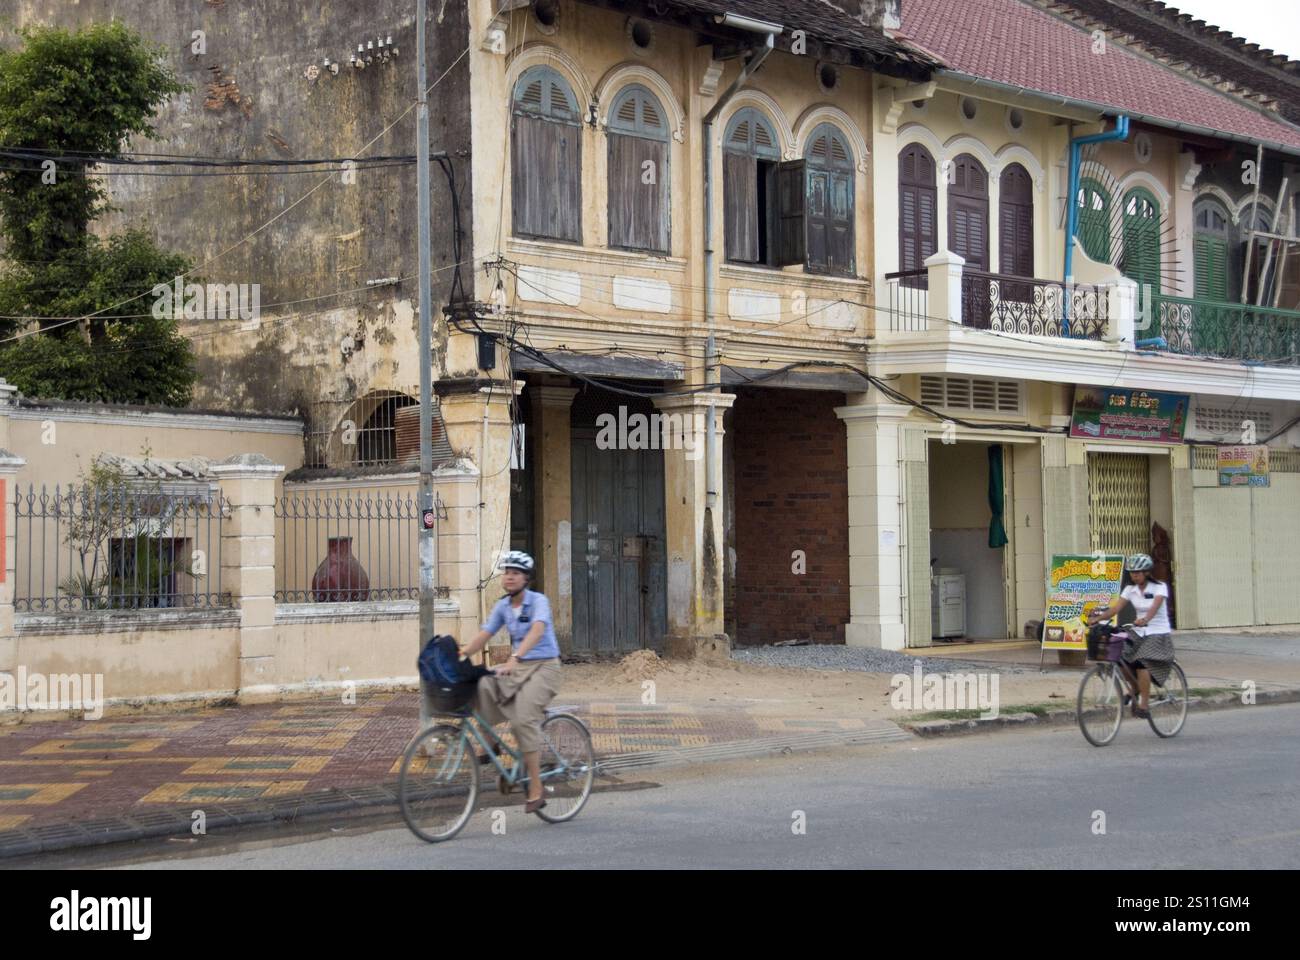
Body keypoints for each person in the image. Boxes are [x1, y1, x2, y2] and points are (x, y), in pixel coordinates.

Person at [459, 551, 561, 814]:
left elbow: (538, 630)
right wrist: (462, 655)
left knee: (522, 720)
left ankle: (536, 790)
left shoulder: (538, 601)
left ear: (526, 578)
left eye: (516, 573)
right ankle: (490, 742)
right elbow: (486, 633)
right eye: (507, 572)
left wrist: (516, 656)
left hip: (544, 667)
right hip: (517, 667)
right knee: (481, 684)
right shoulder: (503, 606)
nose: (510, 577)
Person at [1087, 553, 1175, 718]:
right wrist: (1097, 619)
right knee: (1118, 656)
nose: (1134, 575)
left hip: (1158, 632)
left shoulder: (1159, 587)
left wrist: (1146, 619)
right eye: (1132, 572)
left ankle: (1144, 705)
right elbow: (1115, 609)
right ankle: (1135, 688)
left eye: (1138, 572)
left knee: (1142, 662)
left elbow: (1155, 607)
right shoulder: (1130, 589)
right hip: (1138, 631)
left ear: (1147, 572)